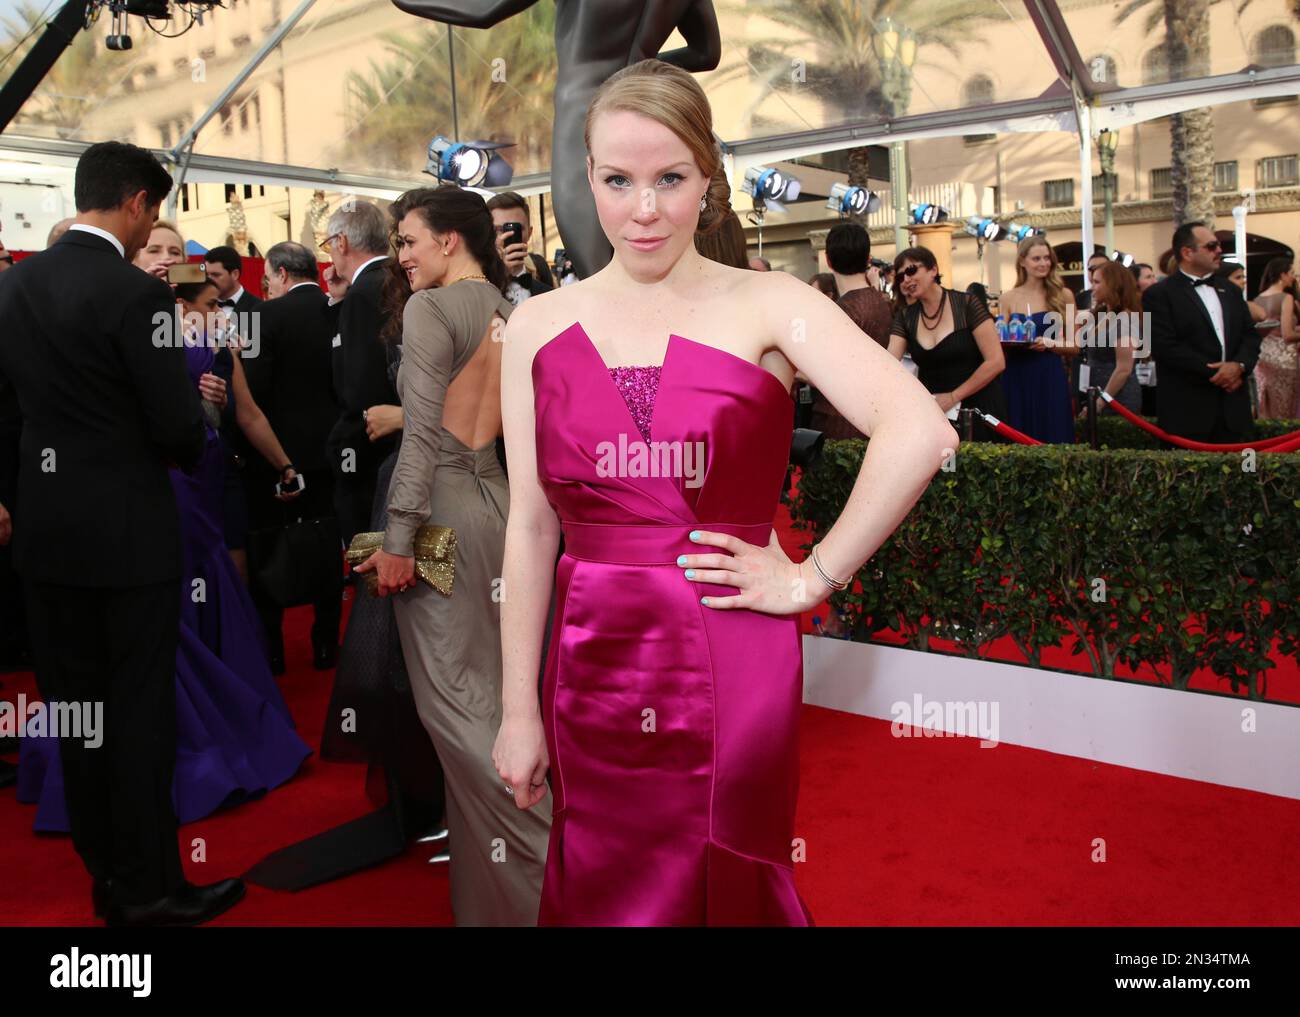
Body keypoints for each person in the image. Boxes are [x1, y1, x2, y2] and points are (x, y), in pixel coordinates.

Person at [492, 58, 955, 926]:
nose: (645, 208)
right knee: (598, 879)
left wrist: (812, 577)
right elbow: (529, 525)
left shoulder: (773, 303)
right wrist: (518, 708)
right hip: (587, 666)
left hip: (728, 645)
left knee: (724, 876)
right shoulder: (536, 325)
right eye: (619, 179)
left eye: (670, 178)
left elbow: (922, 431)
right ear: (584, 177)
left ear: (707, 179)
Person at [0, 141, 243, 926]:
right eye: (156, 214)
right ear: (137, 202)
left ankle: (108, 876)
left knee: (77, 712)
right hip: (129, 538)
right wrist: (186, 439)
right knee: (138, 715)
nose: (155, 233)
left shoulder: (16, 286)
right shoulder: (135, 297)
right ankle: (151, 889)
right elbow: (175, 423)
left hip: (44, 535)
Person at [18, 276, 311, 834]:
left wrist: (281, 462)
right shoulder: (111, 325)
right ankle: (172, 753)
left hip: (204, 479)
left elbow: (242, 413)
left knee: (208, 591)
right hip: (151, 487)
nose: (165, 261)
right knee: (154, 619)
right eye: (155, 248)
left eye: (174, 252)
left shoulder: (217, 333)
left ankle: (219, 725)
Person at [352, 184, 552, 926]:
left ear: (449, 240)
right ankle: (490, 907)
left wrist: (399, 538)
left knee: (463, 719)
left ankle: (552, 866)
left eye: (407, 240)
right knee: (506, 698)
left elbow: (423, 439)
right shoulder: (514, 314)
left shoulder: (433, 311)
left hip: (442, 514)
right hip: (505, 510)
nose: (399, 256)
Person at [244, 242, 343, 672]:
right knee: (326, 550)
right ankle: (326, 646)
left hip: (276, 454)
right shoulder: (339, 312)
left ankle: (272, 650)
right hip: (334, 452)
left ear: (282, 274)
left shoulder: (258, 318)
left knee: (270, 548)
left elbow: (250, 396)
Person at [1143, 222, 1260, 444]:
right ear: (1187, 253)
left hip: (1234, 410)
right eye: (1211, 246)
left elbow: (1250, 336)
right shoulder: (1158, 295)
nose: (1219, 251)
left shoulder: (1232, 291)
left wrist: (1239, 366)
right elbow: (1163, 346)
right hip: (1188, 412)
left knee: (1246, 472)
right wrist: (1218, 374)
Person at [324, 200, 399, 544]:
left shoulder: (363, 293)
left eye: (328, 246)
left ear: (341, 242)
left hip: (374, 453)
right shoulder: (396, 281)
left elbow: (357, 388)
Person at [888, 246, 1008, 443]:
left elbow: (996, 362)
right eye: (900, 276)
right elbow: (889, 362)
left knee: (981, 470)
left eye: (911, 271)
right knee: (944, 470)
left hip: (979, 407)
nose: (906, 279)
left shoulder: (967, 304)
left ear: (933, 270)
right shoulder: (905, 317)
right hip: (936, 412)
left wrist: (953, 397)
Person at [998, 235, 1077, 442]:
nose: (1043, 263)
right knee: (1017, 434)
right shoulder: (1007, 298)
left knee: (1053, 432)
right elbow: (1000, 338)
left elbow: (1075, 346)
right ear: (1022, 261)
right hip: (1016, 374)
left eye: (1046, 258)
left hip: (1048, 373)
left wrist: (1051, 344)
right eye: (1036, 259)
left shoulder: (1064, 295)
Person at [1080, 260, 1143, 415]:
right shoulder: (1102, 315)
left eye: (1096, 282)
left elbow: (1124, 369)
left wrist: (1101, 402)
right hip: (1098, 395)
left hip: (1117, 399)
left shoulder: (1125, 318)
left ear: (1113, 284)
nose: (1092, 287)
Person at [486, 191, 555, 305]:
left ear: (529, 233)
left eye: (516, 229)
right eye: (498, 230)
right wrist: (500, 277)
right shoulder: (476, 291)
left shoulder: (548, 294)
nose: (507, 236)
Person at [1252, 257, 1299, 419]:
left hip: (1262, 358)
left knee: (1266, 410)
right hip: (1284, 359)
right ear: (1282, 274)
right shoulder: (1286, 298)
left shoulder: (1258, 299)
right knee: (1285, 412)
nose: (1294, 277)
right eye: (1291, 273)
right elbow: (1288, 334)